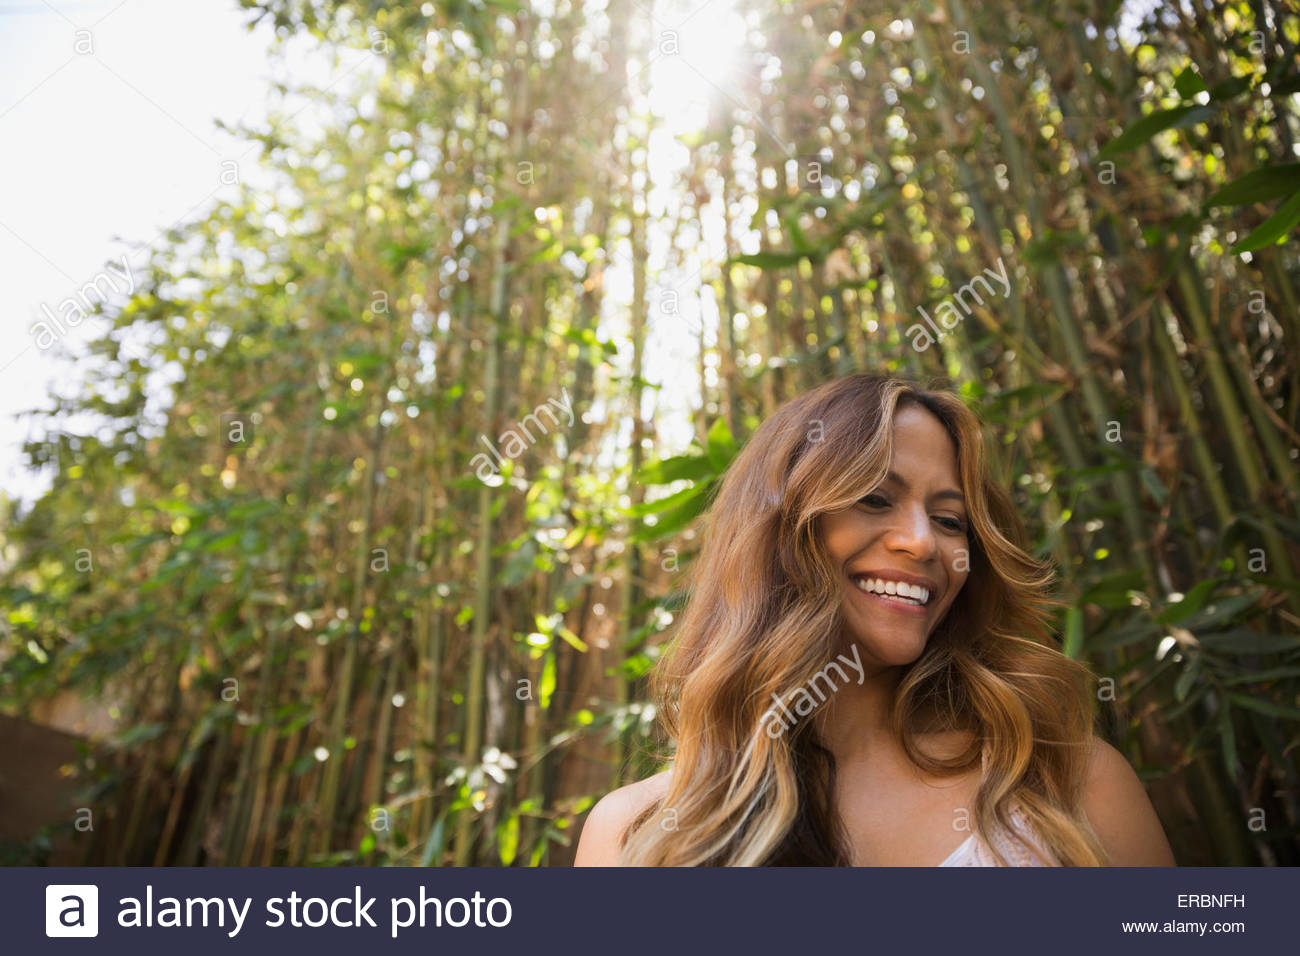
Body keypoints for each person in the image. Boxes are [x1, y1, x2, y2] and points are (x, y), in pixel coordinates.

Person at [574, 374, 1175, 866]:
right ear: (777, 533)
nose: (922, 543)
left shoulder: (1065, 781)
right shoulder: (638, 835)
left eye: (949, 520)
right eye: (875, 499)